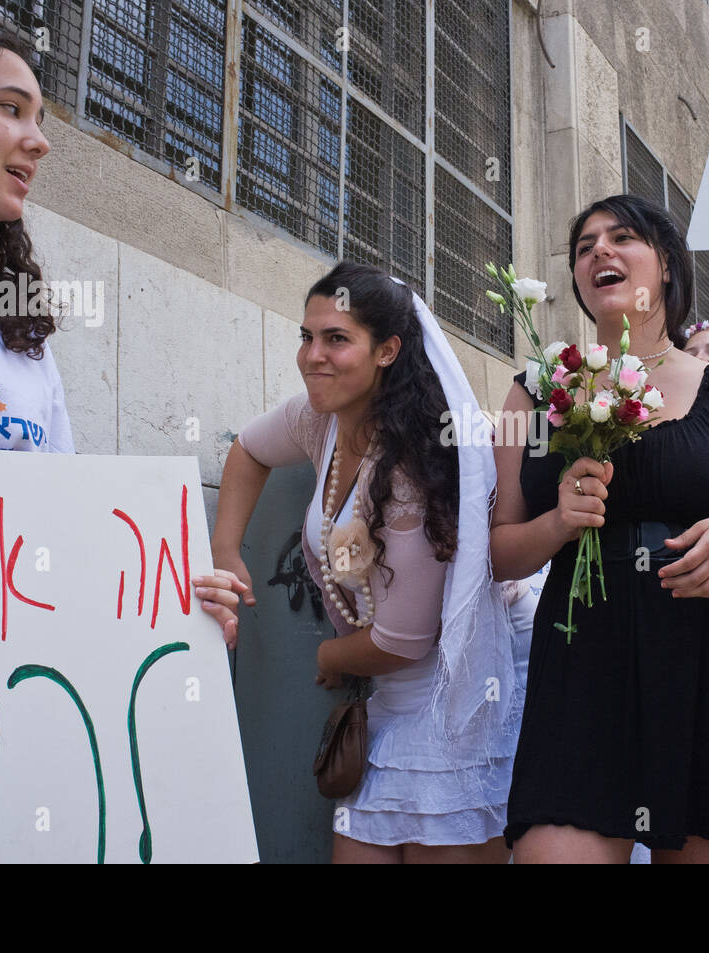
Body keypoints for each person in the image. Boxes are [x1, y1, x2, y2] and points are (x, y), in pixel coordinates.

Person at [0, 28, 241, 641]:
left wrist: (175, 599)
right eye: (10, 108)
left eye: (41, 117)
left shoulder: (19, 332)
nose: (41, 142)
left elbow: (60, 534)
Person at [490, 194, 709, 863]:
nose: (599, 250)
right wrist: (559, 521)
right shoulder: (532, 392)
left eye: (621, 236)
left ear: (666, 266)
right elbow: (501, 554)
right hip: (581, 665)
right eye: (583, 246)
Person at [211, 262, 520, 863]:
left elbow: (405, 641)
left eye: (336, 339)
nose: (312, 356)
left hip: (455, 703)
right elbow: (248, 449)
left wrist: (327, 657)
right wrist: (226, 551)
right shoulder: (320, 417)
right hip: (385, 703)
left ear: (388, 351)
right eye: (306, 336)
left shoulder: (417, 467)